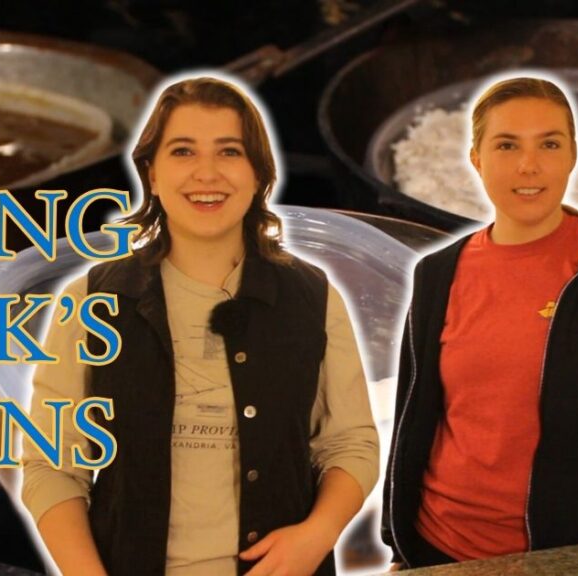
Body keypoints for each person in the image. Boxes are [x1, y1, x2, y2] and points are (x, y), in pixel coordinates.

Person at [21, 76, 380, 575]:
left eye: (230, 152)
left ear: (259, 173)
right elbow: (52, 468)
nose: (207, 173)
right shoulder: (91, 301)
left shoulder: (314, 298)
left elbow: (351, 443)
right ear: (150, 171)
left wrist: (316, 536)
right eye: (183, 152)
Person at [381, 76, 578, 569]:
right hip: (438, 549)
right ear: (476, 158)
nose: (528, 165)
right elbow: (414, 417)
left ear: (573, 155)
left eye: (550, 144)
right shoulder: (438, 273)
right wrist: (399, 548)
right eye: (507, 145)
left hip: (572, 559)